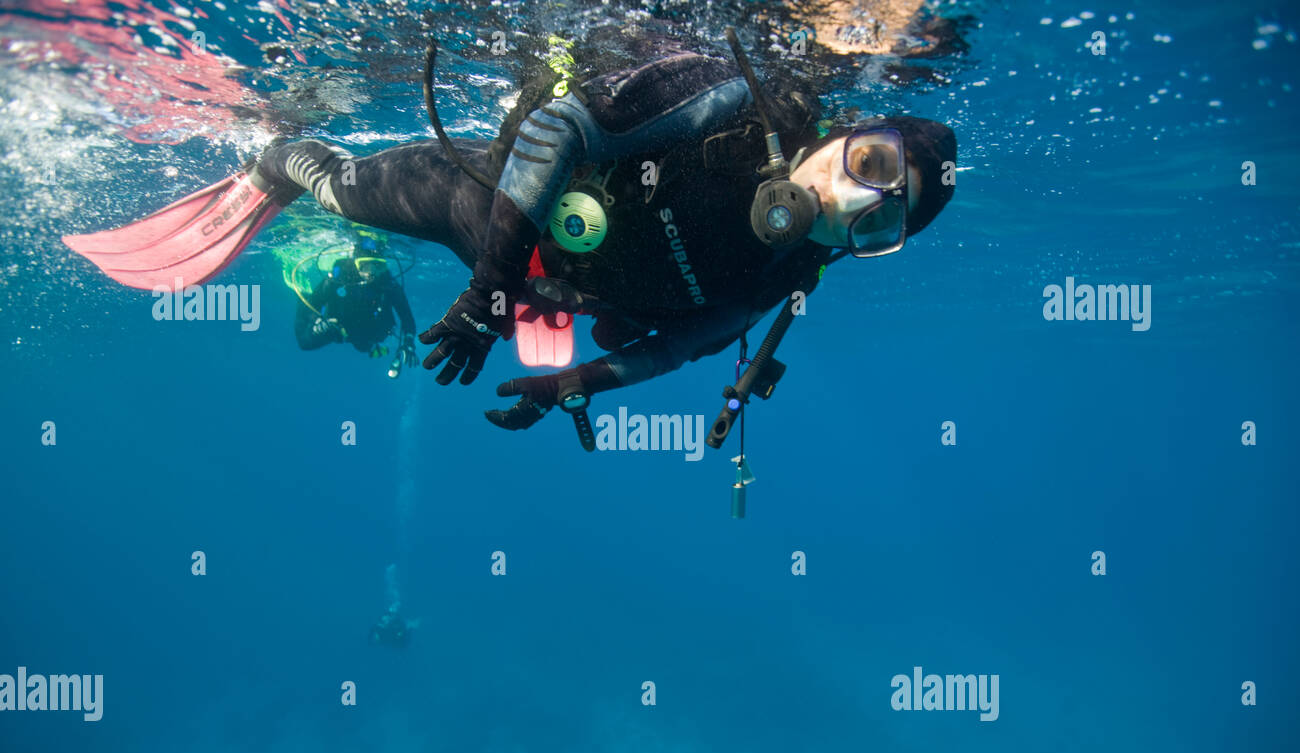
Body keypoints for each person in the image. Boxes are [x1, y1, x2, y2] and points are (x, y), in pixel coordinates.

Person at [63, 28, 956, 435]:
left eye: (883, 221)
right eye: (870, 168)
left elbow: (683, 347)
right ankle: (275, 158)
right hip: (489, 209)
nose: (850, 202)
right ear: (849, 131)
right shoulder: (729, 97)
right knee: (336, 191)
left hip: (544, 292)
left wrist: (575, 383)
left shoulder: (786, 276)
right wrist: (488, 284)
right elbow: (558, 130)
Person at [290, 232, 419, 376]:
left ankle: (367, 345)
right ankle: (304, 290)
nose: (371, 273)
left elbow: (406, 316)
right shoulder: (339, 277)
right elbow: (312, 304)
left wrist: (408, 342)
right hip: (337, 328)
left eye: (377, 266)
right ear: (355, 263)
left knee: (365, 345)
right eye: (364, 266)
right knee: (305, 343)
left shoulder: (388, 284)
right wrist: (318, 321)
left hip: (369, 332)